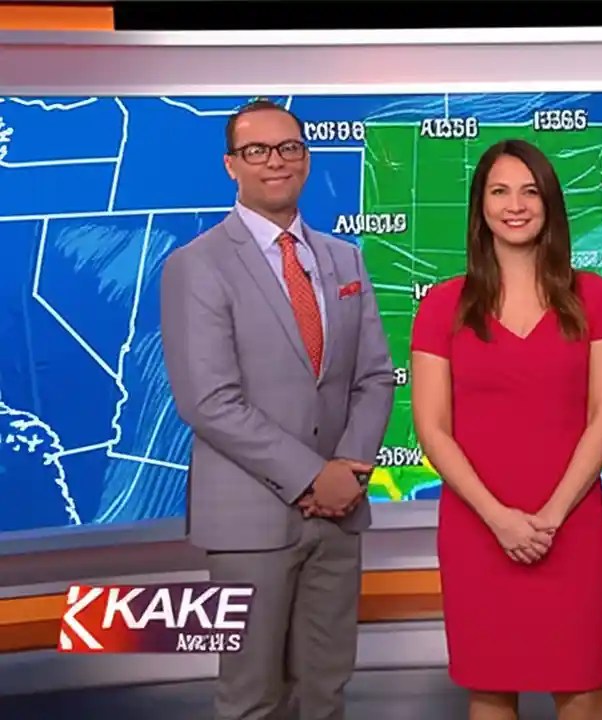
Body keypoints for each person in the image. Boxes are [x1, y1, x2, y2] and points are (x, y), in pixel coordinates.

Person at [160, 98, 396, 720]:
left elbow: (374, 375)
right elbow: (208, 400)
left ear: (306, 159)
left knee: (325, 690)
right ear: (230, 166)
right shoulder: (197, 266)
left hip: (340, 513)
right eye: (257, 151)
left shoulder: (344, 259)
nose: (276, 162)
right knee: (252, 697)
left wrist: (348, 467)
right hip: (249, 524)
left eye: (288, 148)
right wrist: (311, 476)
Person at [409, 138, 602, 720]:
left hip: (571, 524)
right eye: (499, 191)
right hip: (478, 526)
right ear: (480, 206)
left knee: (581, 685)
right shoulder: (443, 305)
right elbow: (432, 429)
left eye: (530, 191)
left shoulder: (593, 297)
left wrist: (550, 516)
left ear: (549, 203)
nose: (516, 204)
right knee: (491, 685)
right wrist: (500, 519)